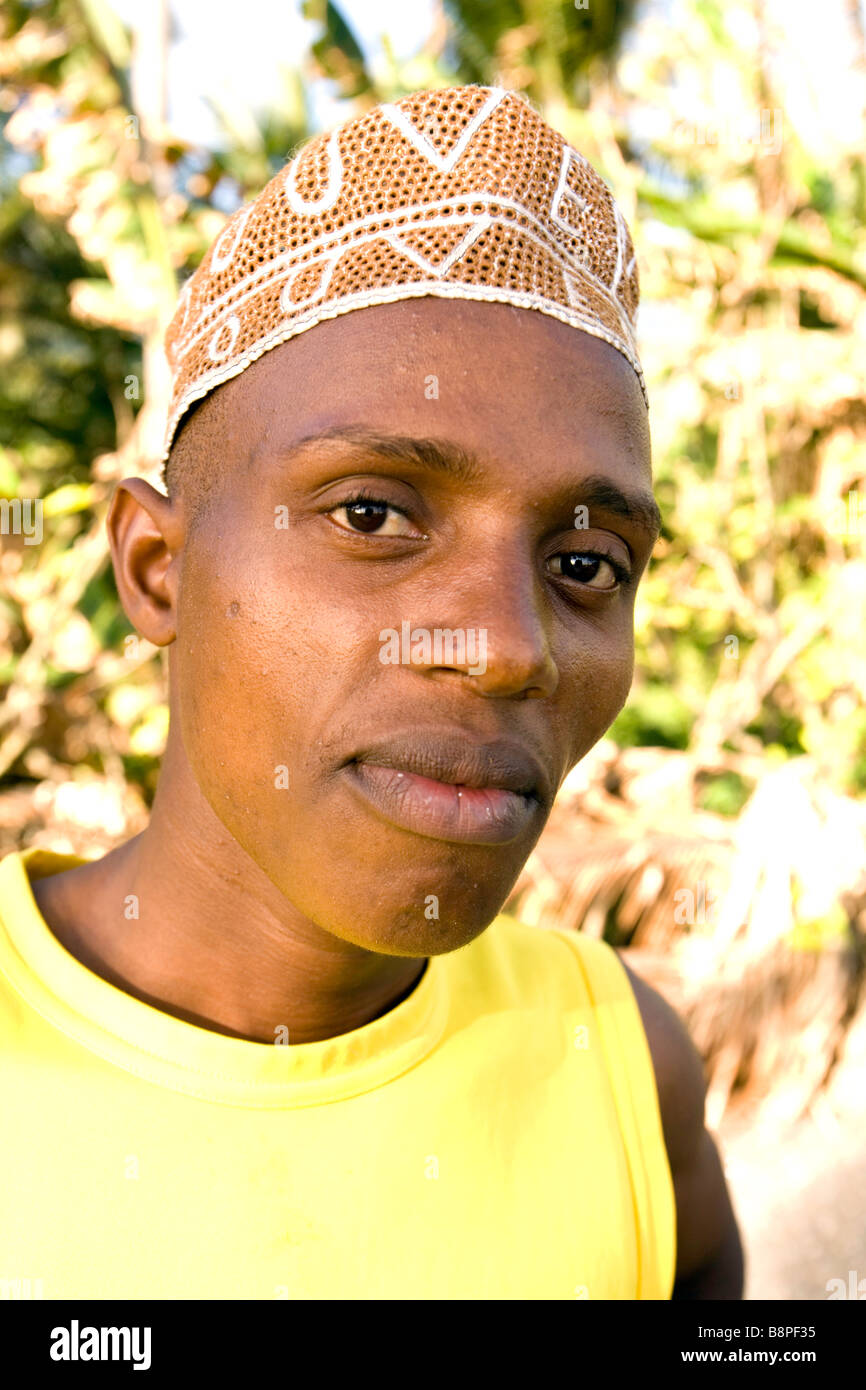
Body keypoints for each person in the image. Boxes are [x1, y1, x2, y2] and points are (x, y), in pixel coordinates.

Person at [0, 84, 743, 1299]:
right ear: (154, 568)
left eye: (581, 565)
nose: (508, 647)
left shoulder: (619, 1071)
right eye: (370, 513)